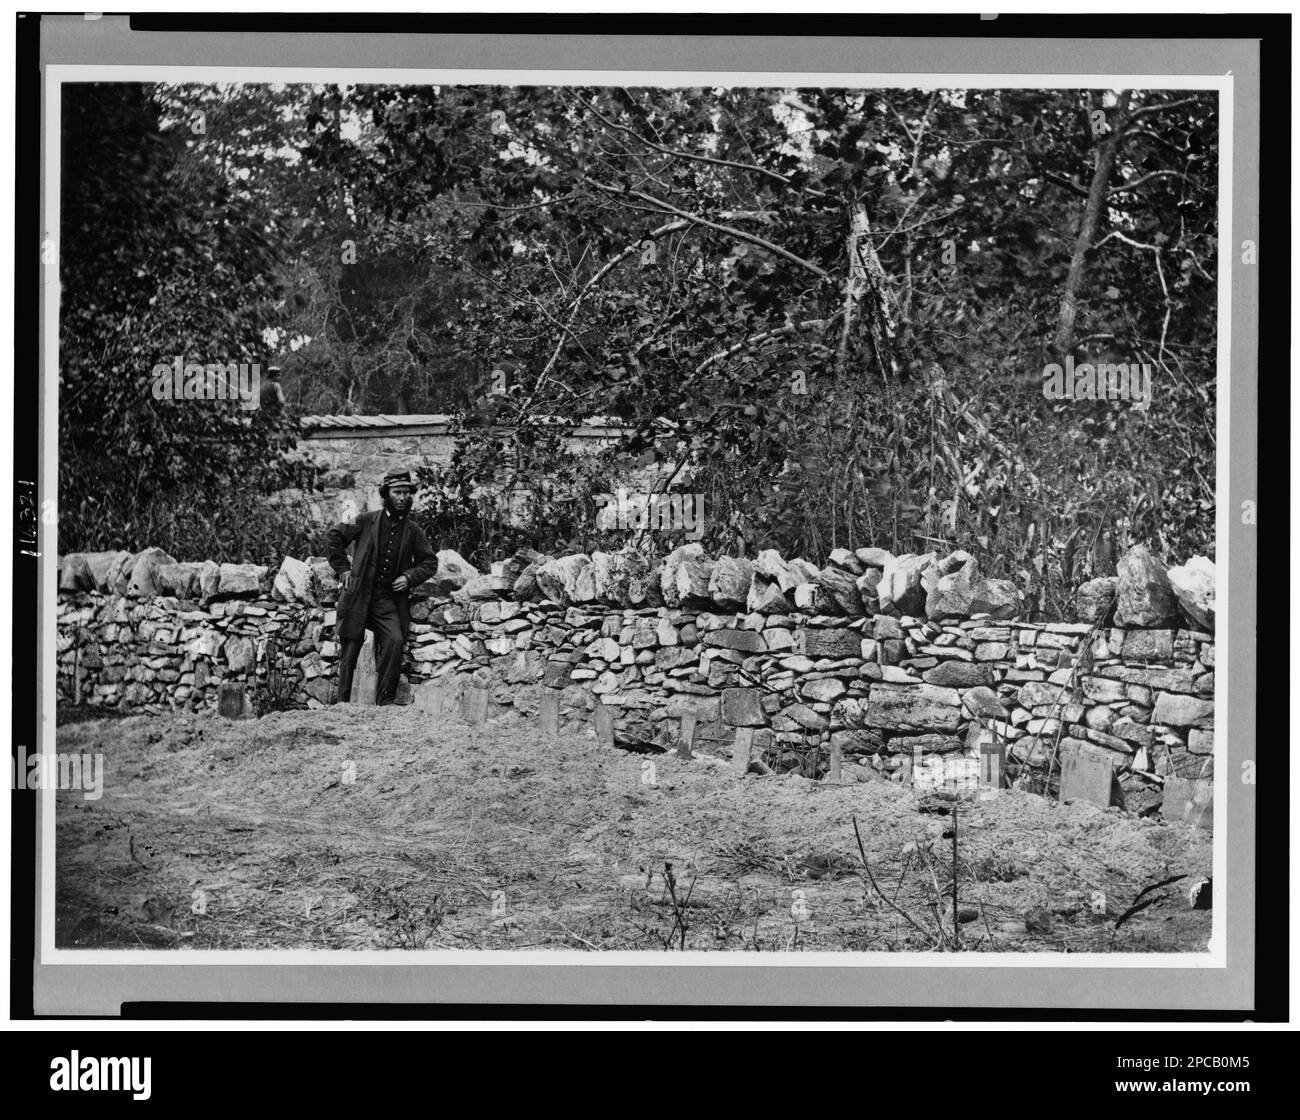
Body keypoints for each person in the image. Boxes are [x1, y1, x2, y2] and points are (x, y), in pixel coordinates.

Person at [325, 469, 439, 705]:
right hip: (358, 595)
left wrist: (409, 577)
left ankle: (384, 703)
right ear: (386, 494)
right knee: (350, 650)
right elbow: (333, 537)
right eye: (397, 492)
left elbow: (430, 562)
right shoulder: (364, 519)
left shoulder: (412, 530)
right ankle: (343, 705)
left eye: (406, 493)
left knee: (394, 641)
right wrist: (343, 570)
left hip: (386, 600)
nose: (402, 498)